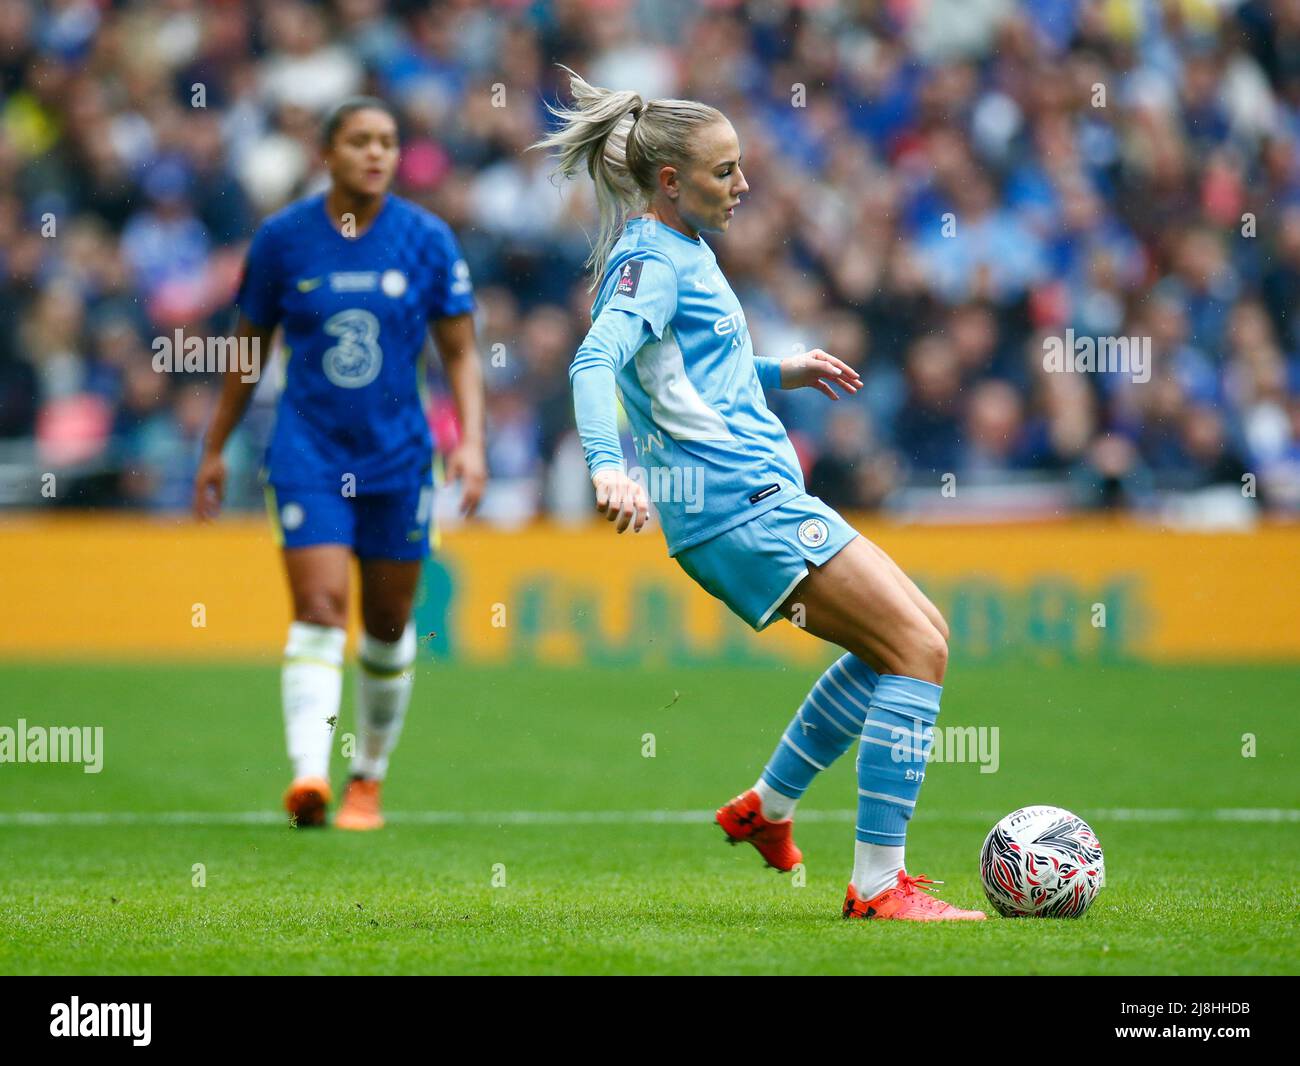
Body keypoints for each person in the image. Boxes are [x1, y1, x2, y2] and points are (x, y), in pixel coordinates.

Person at [536, 70, 984, 920]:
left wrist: (784, 369)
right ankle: (879, 886)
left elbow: (683, 373)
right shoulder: (651, 261)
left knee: (905, 642)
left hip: (747, 504)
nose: (742, 186)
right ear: (670, 181)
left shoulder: (680, 250)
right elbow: (594, 362)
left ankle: (767, 810)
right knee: (918, 654)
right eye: (724, 172)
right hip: (741, 508)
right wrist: (606, 466)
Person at [194, 97, 486, 830]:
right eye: (359, 141)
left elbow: (459, 352)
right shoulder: (283, 240)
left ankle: (368, 779)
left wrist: (472, 444)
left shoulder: (425, 239)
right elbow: (248, 349)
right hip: (308, 453)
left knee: (387, 626)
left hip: (400, 459)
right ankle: (307, 776)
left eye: (387, 141)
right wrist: (214, 445)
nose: (376, 154)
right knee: (320, 609)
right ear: (327, 153)